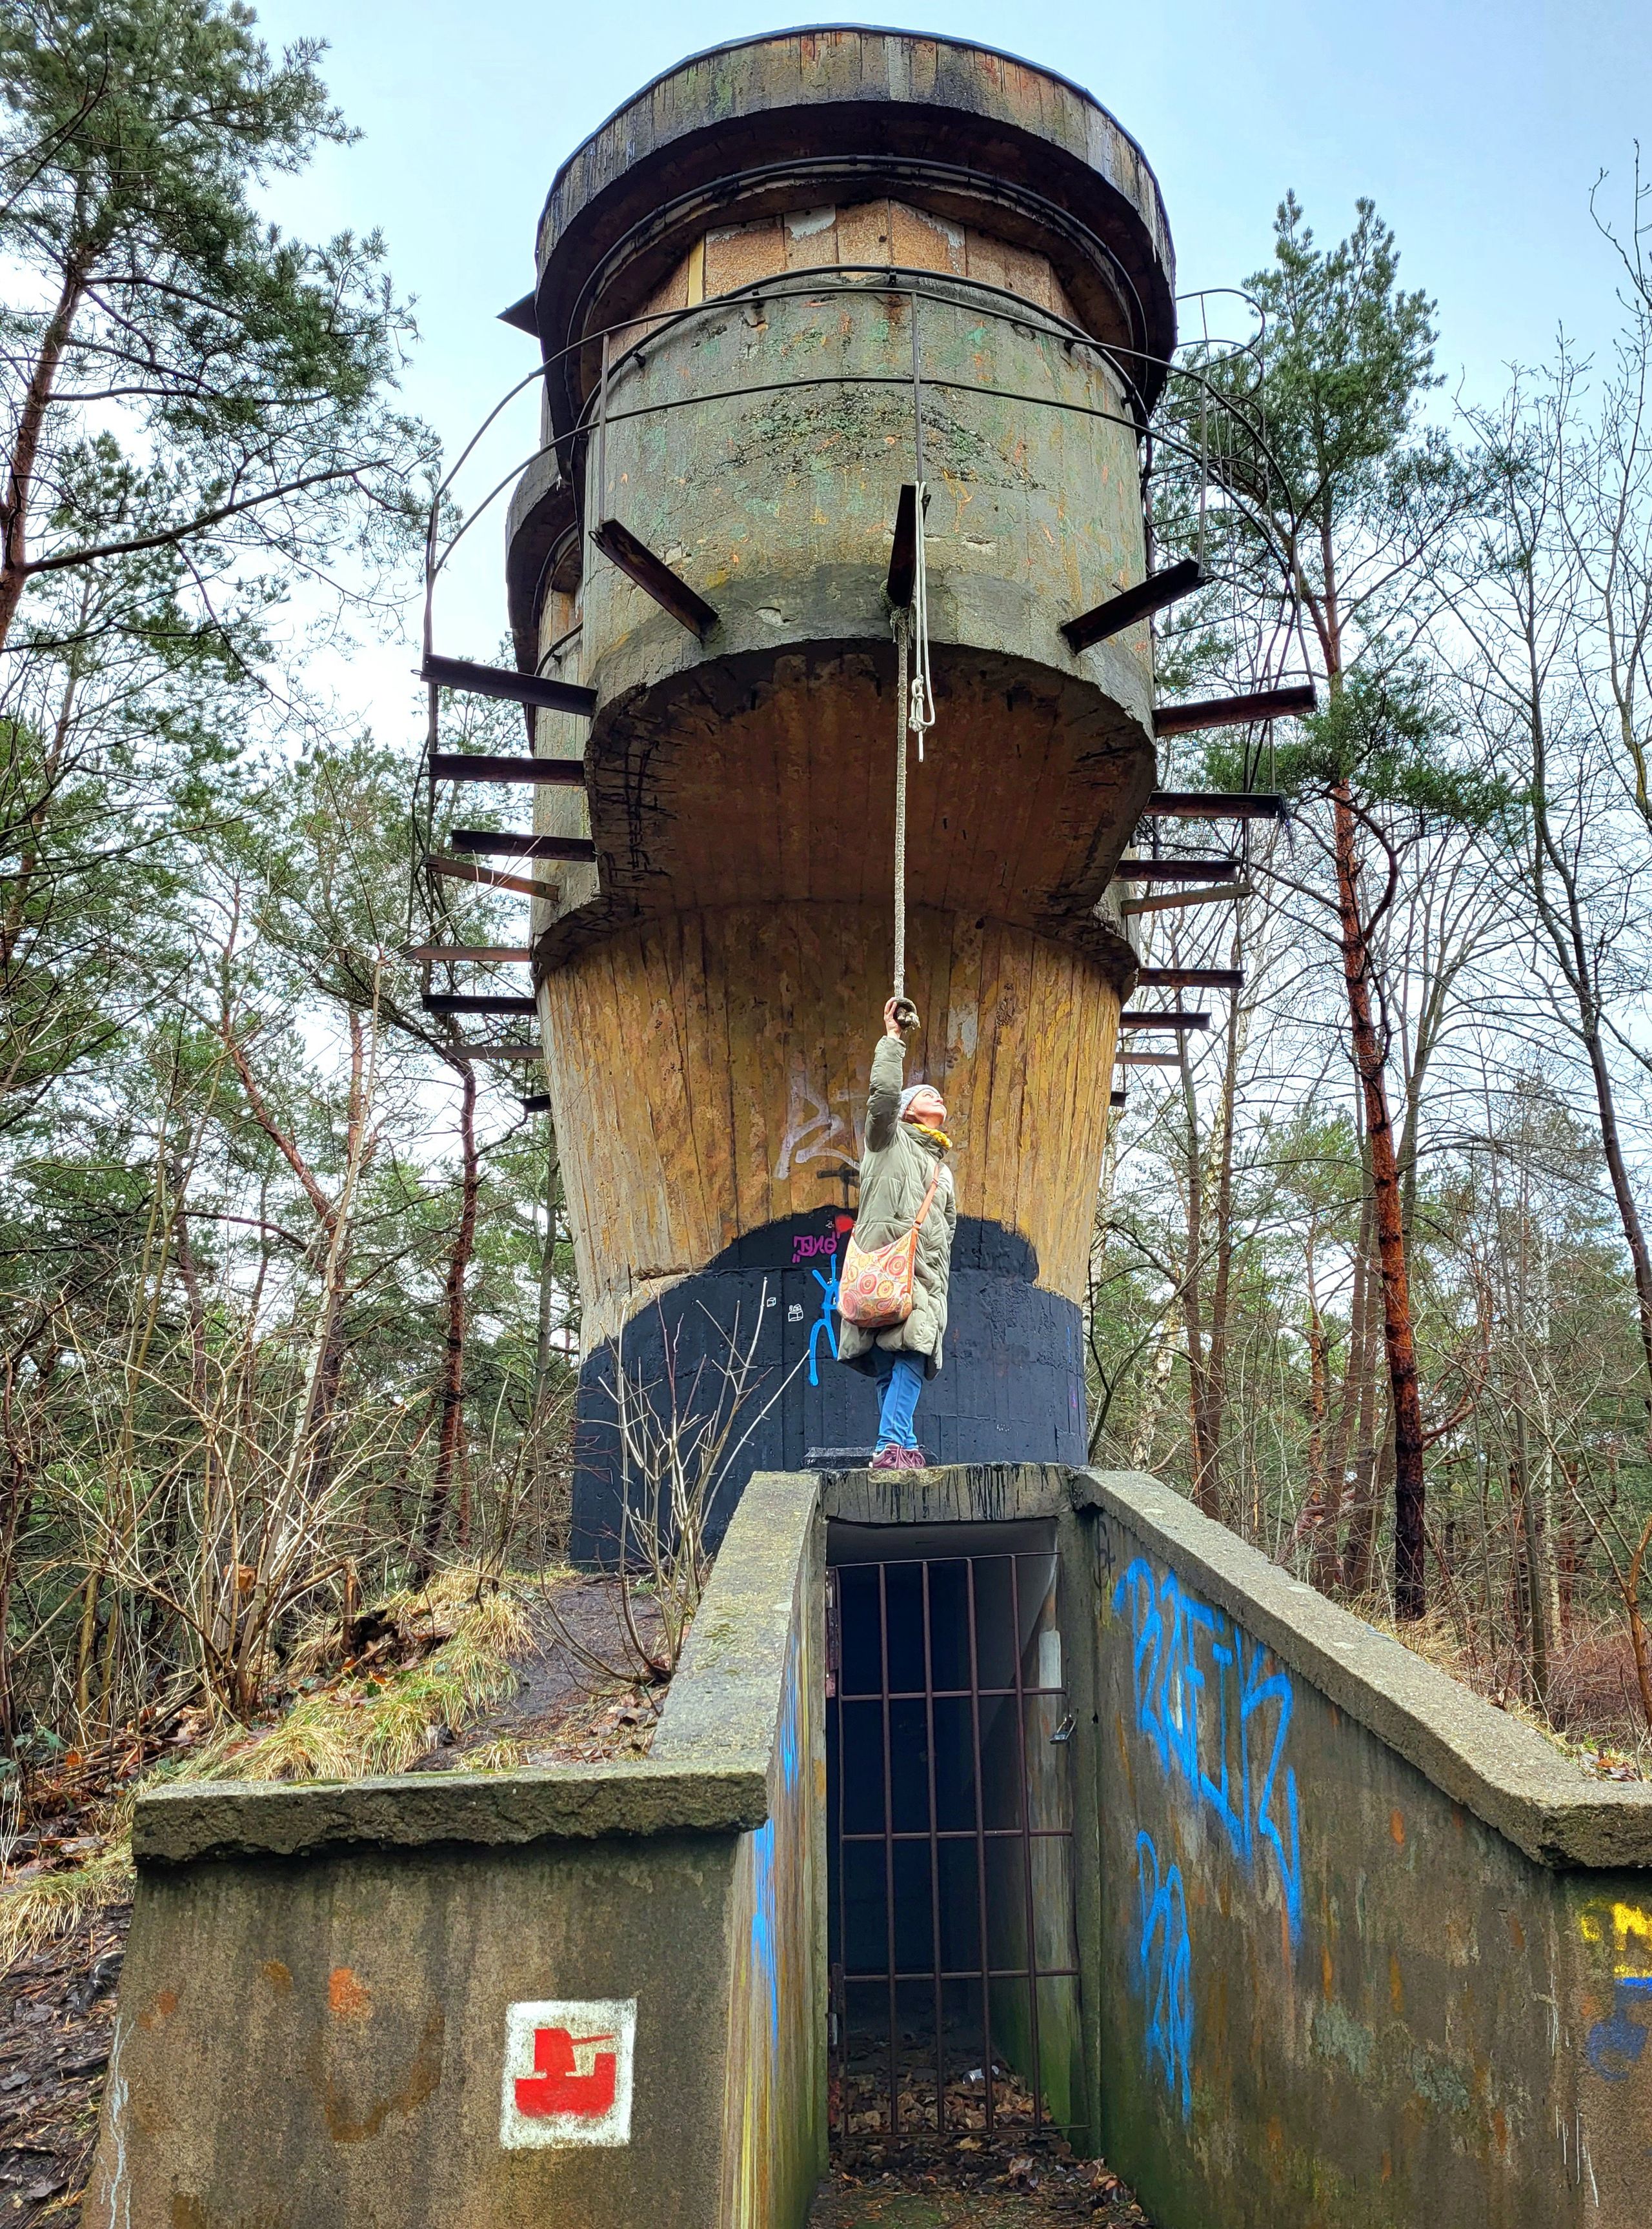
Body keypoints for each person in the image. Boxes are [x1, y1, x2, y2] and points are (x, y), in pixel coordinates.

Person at [837, 997, 958, 1469]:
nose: (937, 1097)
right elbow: (882, 1098)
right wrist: (893, 1040)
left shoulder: (942, 1172)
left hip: (922, 1275)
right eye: (926, 1094)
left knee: (901, 1357)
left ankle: (898, 1445)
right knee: (904, 1358)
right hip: (885, 1261)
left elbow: (946, 1233)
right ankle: (892, 1444)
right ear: (907, 1110)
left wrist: (938, 1286)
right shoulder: (888, 1140)